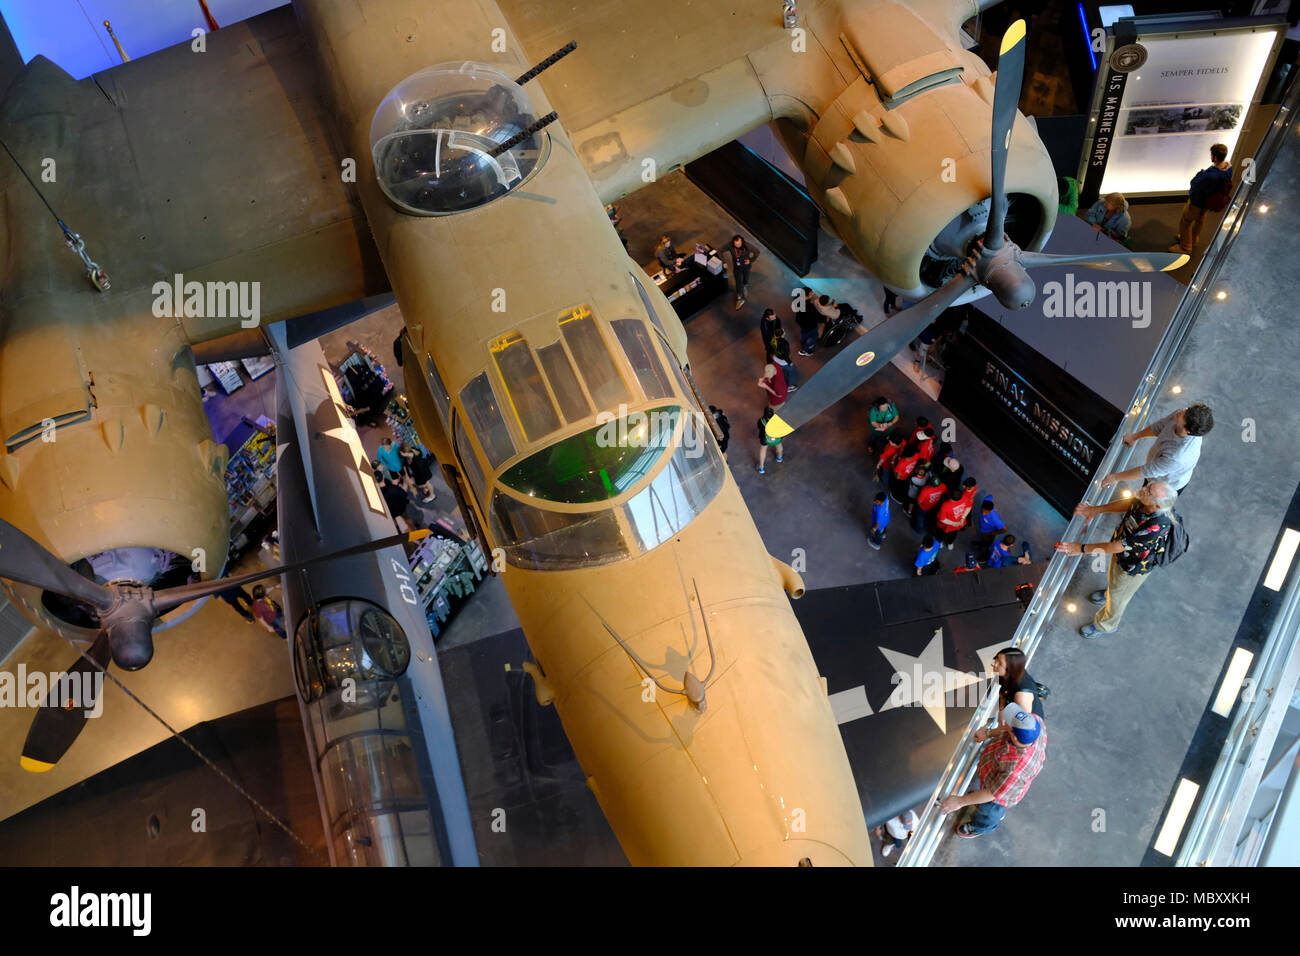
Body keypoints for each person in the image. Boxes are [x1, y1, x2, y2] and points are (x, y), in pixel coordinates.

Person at [1056, 480, 1177, 639]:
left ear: (1157, 506)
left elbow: (1118, 547)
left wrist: (1081, 548)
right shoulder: (1143, 501)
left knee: (1118, 599)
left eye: (1149, 492)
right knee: (1113, 581)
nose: (1143, 489)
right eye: (1148, 487)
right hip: (1122, 555)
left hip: (1132, 567)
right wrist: (1095, 510)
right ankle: (1109, 593)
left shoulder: (1155, 527)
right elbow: (1128, 504)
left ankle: (1106, 625)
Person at [941, 702, 1045, 838]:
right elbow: (1007, 729)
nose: (1006, 720)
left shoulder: (1014, 770)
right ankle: (979, 803)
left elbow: (992, 793)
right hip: (994, 774)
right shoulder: (1034, 723)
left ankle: (980, 827)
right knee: (983, 795)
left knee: (989, 812)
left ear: (1014, 736)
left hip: (998, 796)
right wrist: (989, 733)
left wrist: (960, 801)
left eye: (1009, 721)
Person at [1101, 404, 1213, 494]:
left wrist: (1115, 477)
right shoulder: (1180, 415)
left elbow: (1148, 470)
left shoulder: (1177, 456)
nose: (1182, 411)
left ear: (1187, 431)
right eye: (1187, 409)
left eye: (1185, 415)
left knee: (1144, 506)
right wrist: (1135, 436)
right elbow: (1159, 427)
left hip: (1166, 485)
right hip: (1156, 470)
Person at [1171, 143, 1232, 254]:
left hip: (1198, 201)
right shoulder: (1228, 167)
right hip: (1207, 202)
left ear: (1215, 157)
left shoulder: (1210, 175)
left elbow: (1194, 183)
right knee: (1200, 219)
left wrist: (1201, 174)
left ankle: (1185, 247)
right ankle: (1193, 239)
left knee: (1186, 222)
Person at [989, 647, 1044, 723]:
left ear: (1011, 667)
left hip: (1024, 730)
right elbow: (1003, 695)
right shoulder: (1009, 675)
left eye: (1000, 663)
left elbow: (1023, 726)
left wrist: (989, 732)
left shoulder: (1022, 695)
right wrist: (1001, 711)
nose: (995, 664)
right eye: (996, 659)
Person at [726, 234, 760, 308]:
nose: (737, 246)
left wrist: (750, 260)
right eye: (735, 244)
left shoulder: (747, 245)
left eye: (738, 244)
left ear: (742, 241)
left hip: (746, 266)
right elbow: (720, 250)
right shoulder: (730, 245)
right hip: (737, 267)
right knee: (738, 280)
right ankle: (739, 297)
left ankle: (745, 286)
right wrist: (723, 262)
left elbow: (757, 251)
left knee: (745, 277)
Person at [756, 406, 784, 475]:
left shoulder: (761, 421)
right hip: (776, 438)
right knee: (779, 445)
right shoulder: (777, 421)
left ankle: (761, 467)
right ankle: (779, 458)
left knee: (763, 449)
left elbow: (759, 427)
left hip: (765, 439)